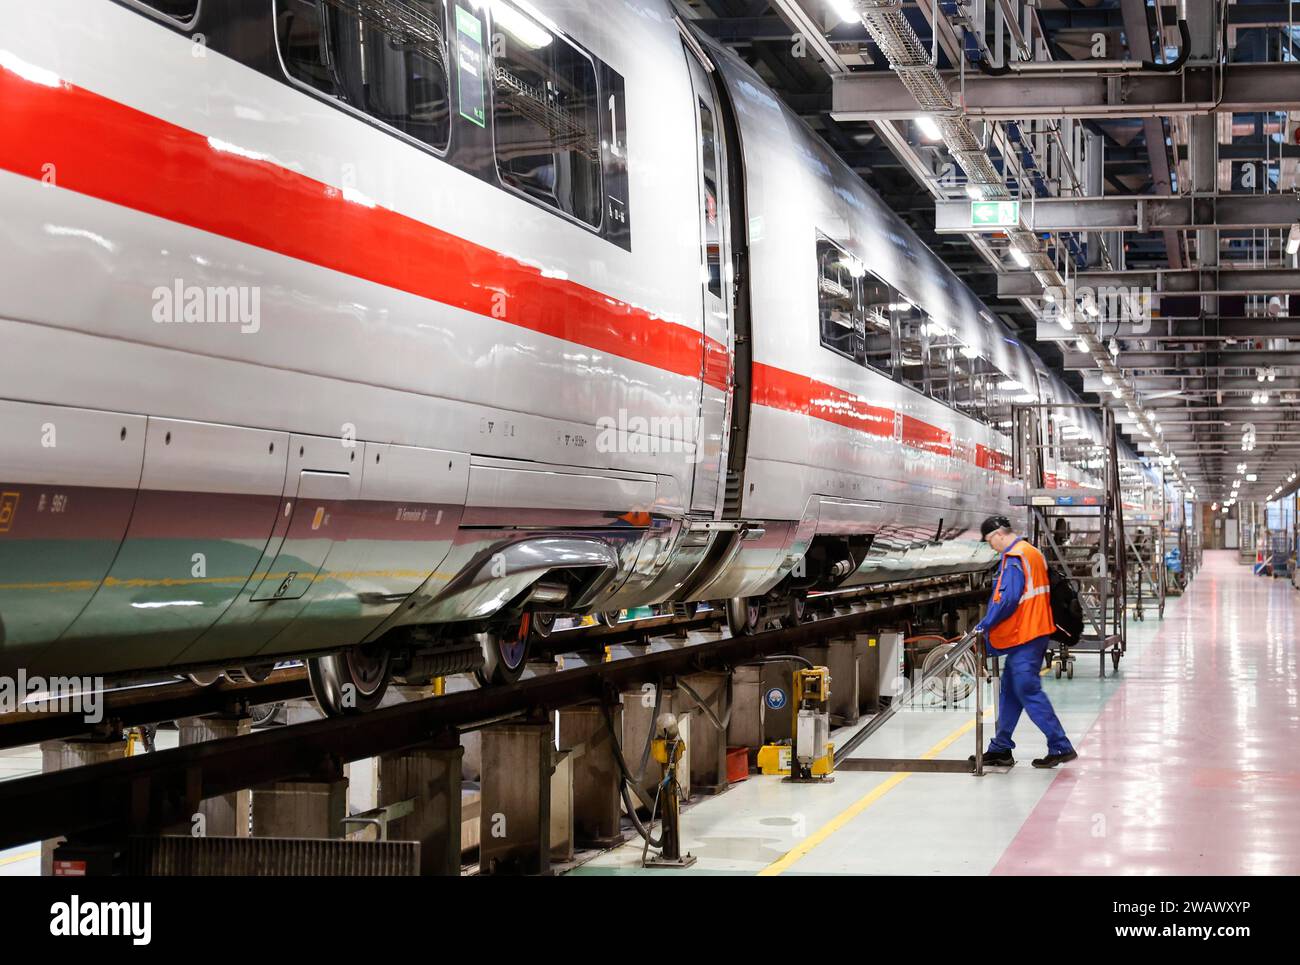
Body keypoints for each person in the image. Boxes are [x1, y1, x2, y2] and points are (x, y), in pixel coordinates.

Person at [969, 515, 1078, 768]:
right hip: (1031, 632)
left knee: (1027, 689)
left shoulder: (1015, 557)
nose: (990, 547)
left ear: (998, 535)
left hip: (1027, 634)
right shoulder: (1032, 552)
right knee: (1010, 690)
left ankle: (1060, 745)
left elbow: (1006, 599)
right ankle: (1001, 748)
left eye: (989, 541)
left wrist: (984, 625)